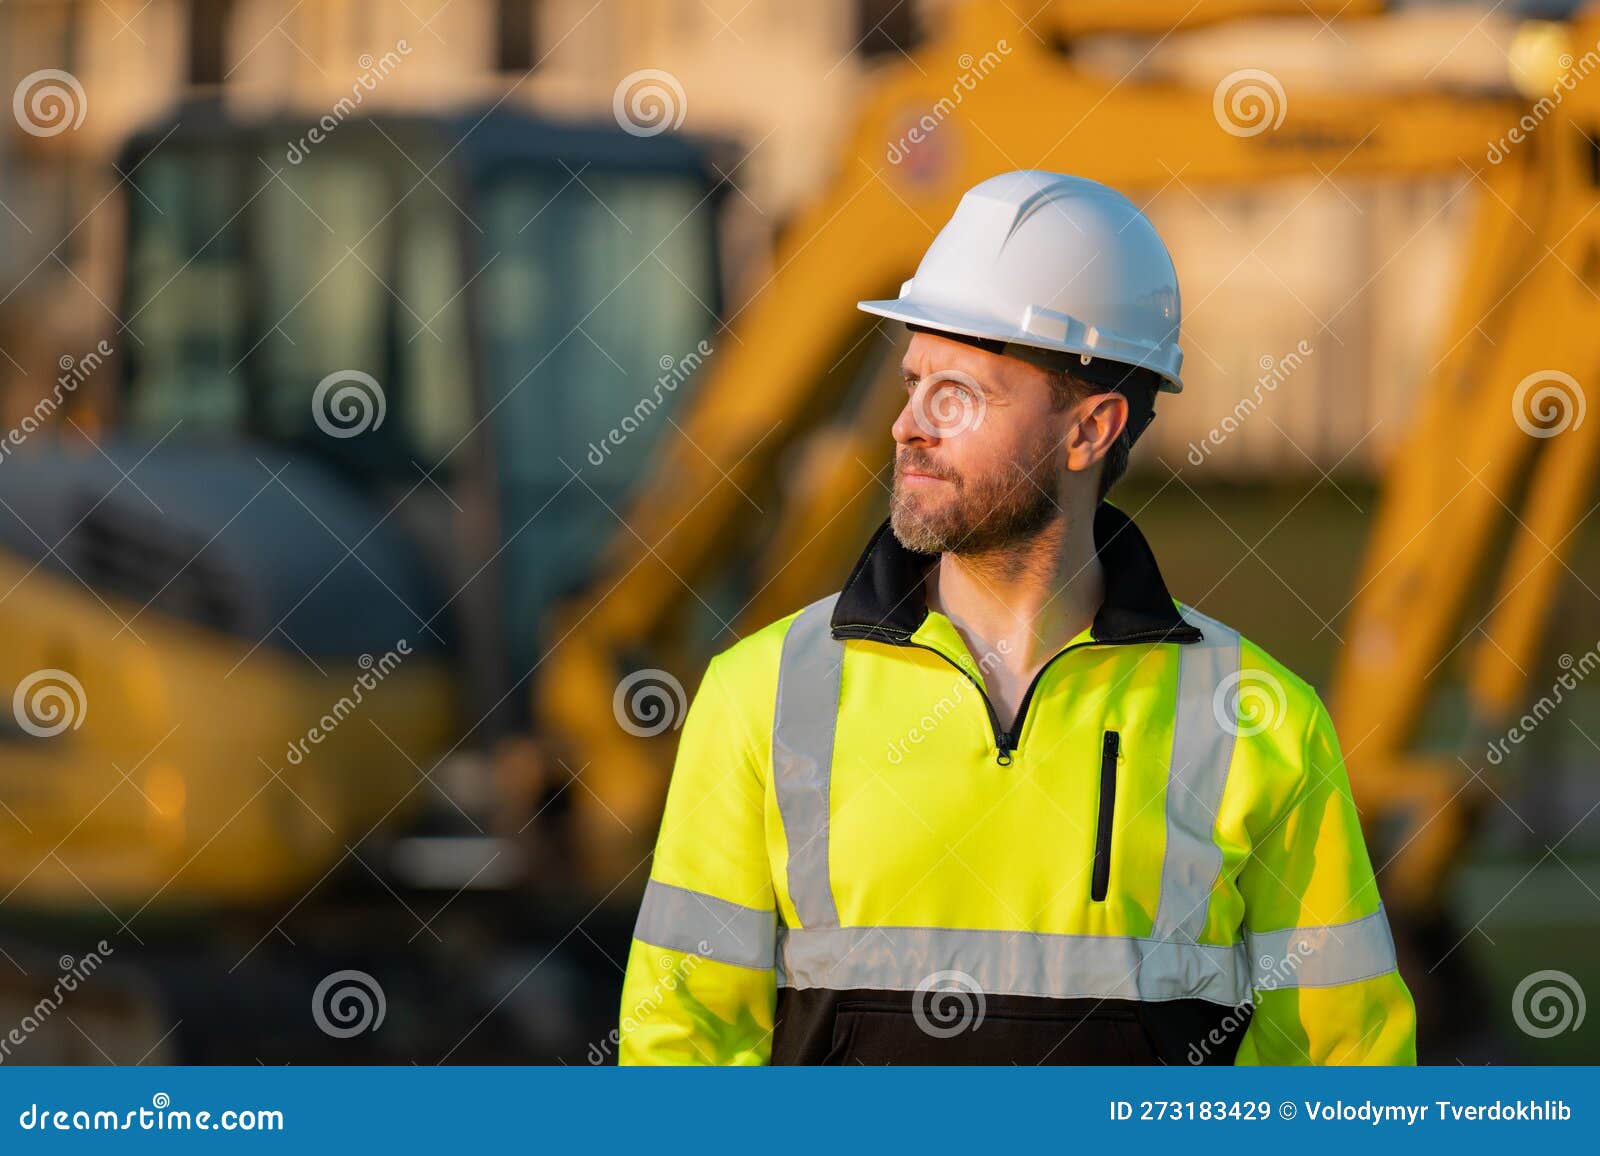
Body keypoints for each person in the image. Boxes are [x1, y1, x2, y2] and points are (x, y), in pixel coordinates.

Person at [616, 170, 1417, 1065]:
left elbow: (1342, 1070)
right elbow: (680, 1050)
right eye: (913, 381)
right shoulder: (757, 695)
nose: (907, 425)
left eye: (957, 393)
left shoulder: (1263, 722)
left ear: (1090, 430)